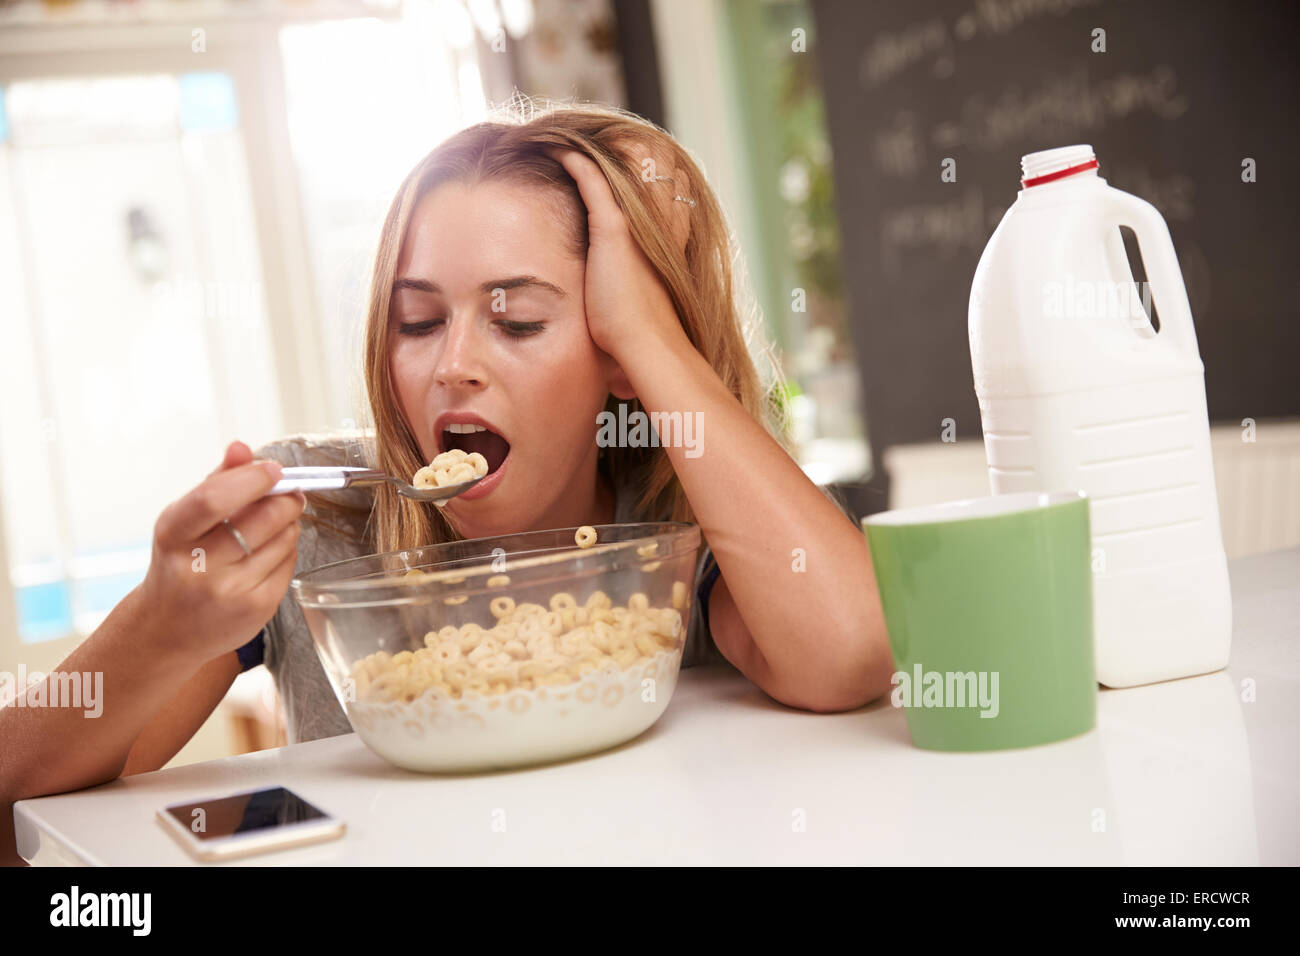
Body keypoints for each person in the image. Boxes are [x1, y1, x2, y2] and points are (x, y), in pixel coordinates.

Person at [0, 101, 890, 866]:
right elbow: (16, 820)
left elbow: (850, 654)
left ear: (612, 352)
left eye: (520, 321)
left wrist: (655, 340)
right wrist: (162, 622)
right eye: (417, 321)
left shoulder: (685, 534)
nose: (453, 365)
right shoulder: (317, 525)